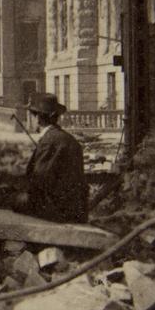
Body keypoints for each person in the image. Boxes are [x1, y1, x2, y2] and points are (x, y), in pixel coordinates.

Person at [23, 92, 89, 224]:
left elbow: (40, 180)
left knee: (8, 199)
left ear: (38, 119)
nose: (30, 119)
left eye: (32, 115)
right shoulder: (67, 139)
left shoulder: (50, 140)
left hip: (58, 210)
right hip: (76, 209)